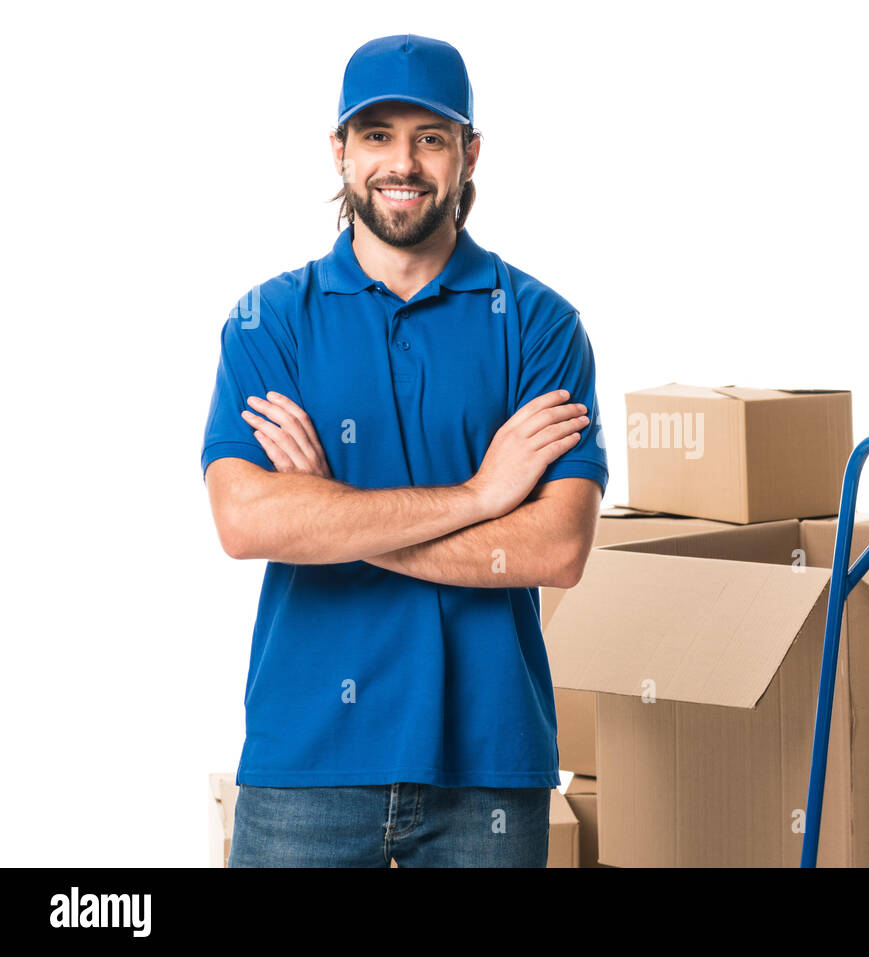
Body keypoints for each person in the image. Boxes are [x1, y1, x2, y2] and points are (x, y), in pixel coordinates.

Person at [200, 34, 606, 867]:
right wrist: (483, 495)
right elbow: (245, 522)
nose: (403, 161)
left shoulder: (540, 325)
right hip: (306, 759)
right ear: (341, 152)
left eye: (430, 137)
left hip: (488, 763)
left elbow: (557, 548)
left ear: (469, 154)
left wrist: (332, 516)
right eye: (378, 134)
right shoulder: (270, 321)